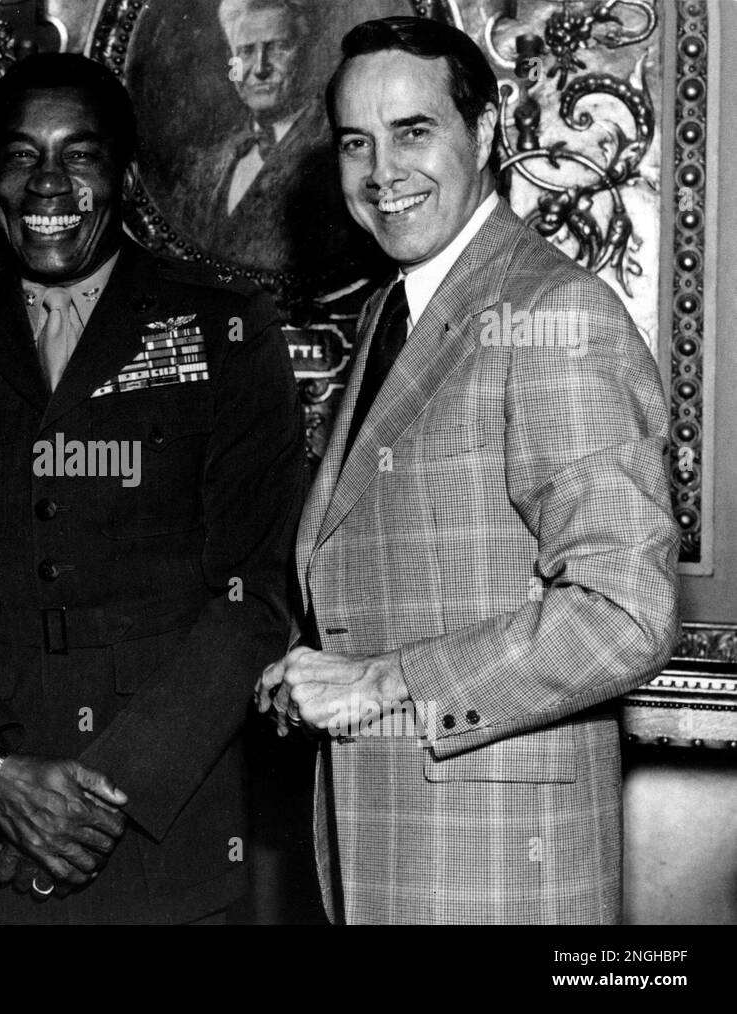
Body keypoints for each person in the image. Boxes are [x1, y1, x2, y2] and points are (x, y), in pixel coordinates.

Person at [0, 52, 306, 924]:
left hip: (161, 847)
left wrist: (103, 797)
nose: (48, 183)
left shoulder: (225, 331)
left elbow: (255, 596)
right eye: (22, 156)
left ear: (126, 176)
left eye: (80, 154)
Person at [257, 16, 679, 924]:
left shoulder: (556, 313)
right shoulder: (395, 310)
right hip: (390, 855)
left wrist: (385, 683)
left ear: (485, 132)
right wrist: (318, 677)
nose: (382, 174)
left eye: (414, 132)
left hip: (497, 879)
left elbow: (624, 614)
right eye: (356, 144)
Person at [178, 0, 347, 280]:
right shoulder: (211, 162)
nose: (259, 68)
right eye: (245, 51)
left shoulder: (335, 150)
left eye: (278, 47)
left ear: (306, 54)